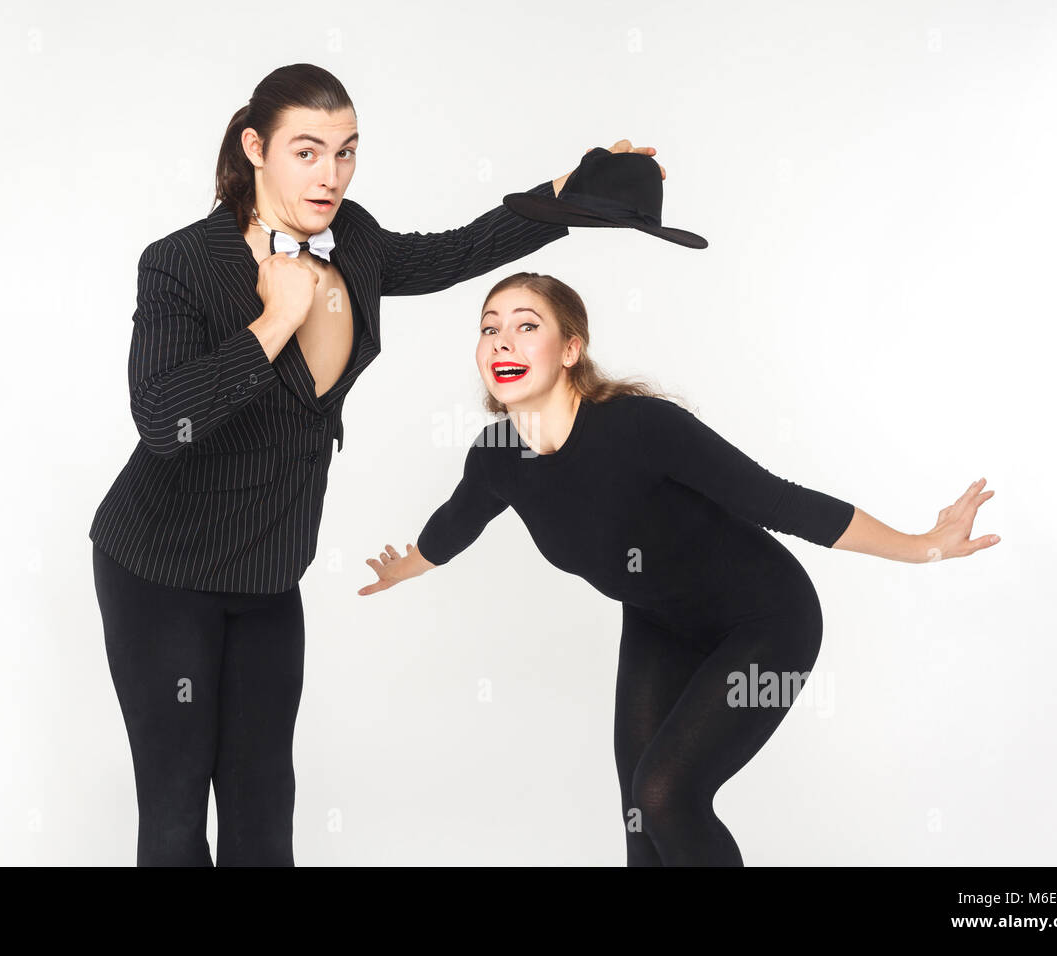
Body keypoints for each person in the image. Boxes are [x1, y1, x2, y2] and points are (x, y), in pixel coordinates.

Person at [88, 61, 666, 866]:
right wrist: (273, 323)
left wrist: (568, 193)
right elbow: (162, 422)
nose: (331, 175)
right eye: (308, 151)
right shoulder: (181, 262)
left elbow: (453, 253)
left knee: (263, 803)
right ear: (255, 147)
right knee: (177, 805)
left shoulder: (352, 237)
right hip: (161, 569)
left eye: (348, 151)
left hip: (267, 568)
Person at [358, 272, 1000, 866]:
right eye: (489, 326)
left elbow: (777, 500)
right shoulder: (497, 454)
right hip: (661, 622)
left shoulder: (640, 427)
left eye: (527, 324)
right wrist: (407, 566)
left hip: (765, 619)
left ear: (570, 348)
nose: (503, 338)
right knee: (641, 817)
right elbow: (457, 522)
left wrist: (924, 544)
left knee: (666, 794)